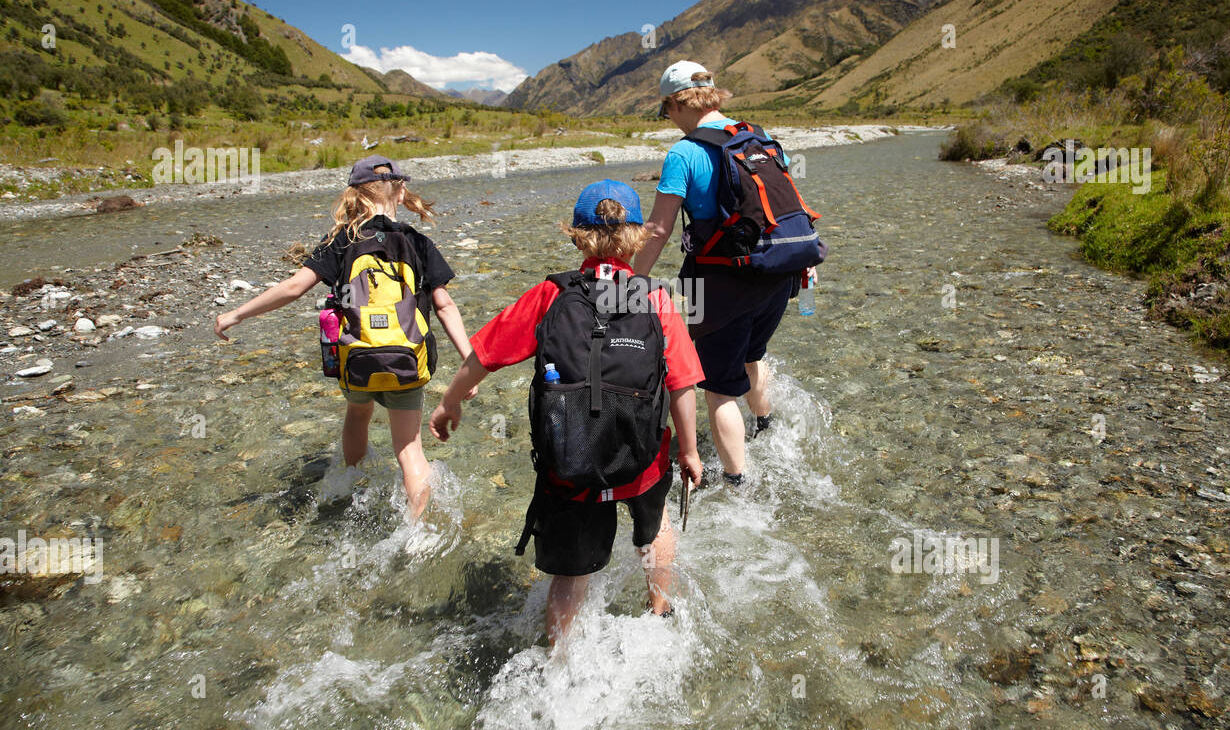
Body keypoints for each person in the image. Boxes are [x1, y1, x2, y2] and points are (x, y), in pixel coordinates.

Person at [429, 180, 704, 644]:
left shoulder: (551, 295)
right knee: (654, 532)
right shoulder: (655, 298)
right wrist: (690, 451)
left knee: (570, 576)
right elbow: (682, 384)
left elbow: (484, 355)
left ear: (576, 234)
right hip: (642, 462)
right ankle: (660, 614)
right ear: (638, 237)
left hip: (569, 465)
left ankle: (559, 664)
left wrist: (448, 402)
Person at [214, 155, 475, 522]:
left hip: (356, 359)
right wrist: (470, 360)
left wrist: (236, 314)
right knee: (409, 449)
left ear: (355, 196)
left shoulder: (341, 240)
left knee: (357, 414)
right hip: (407, 359)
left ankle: (350, 485)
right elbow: (444, 305)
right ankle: (417, 531)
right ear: (400, 195)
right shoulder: (418, 242)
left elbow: (293, 288)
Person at [632, 61, 816, 486]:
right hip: (777, 272)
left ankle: (738, 484)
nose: (670, 122)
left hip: (718, 285)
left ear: (676, 103)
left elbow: (658, 230)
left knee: (718, 389)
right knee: (753, 356)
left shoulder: (684, 153)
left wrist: (630, 279)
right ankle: (765, 425)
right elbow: (790, 207)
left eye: (666, 111)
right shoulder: (761, 139)